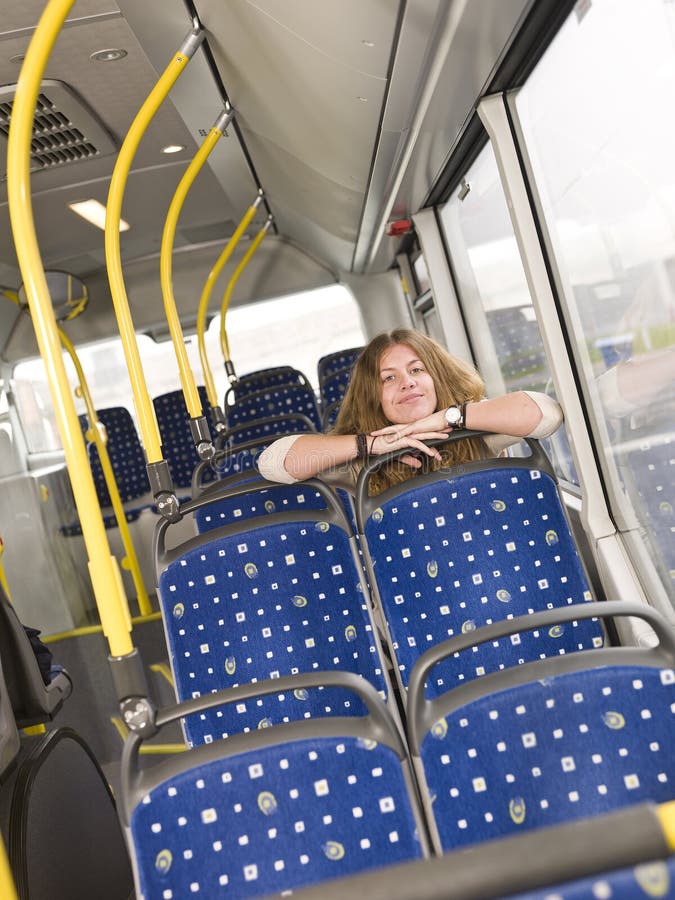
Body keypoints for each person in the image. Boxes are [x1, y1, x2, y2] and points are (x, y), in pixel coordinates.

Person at [257, 329, 563, 494]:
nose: (407, 383)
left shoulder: (474, 426)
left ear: (437, 377)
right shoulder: (355, 462)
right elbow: (272, 463)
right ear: (373, 397)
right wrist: (373, 445)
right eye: (388, 378)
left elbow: (546, 414)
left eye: (417, 369)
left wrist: (446, 419)